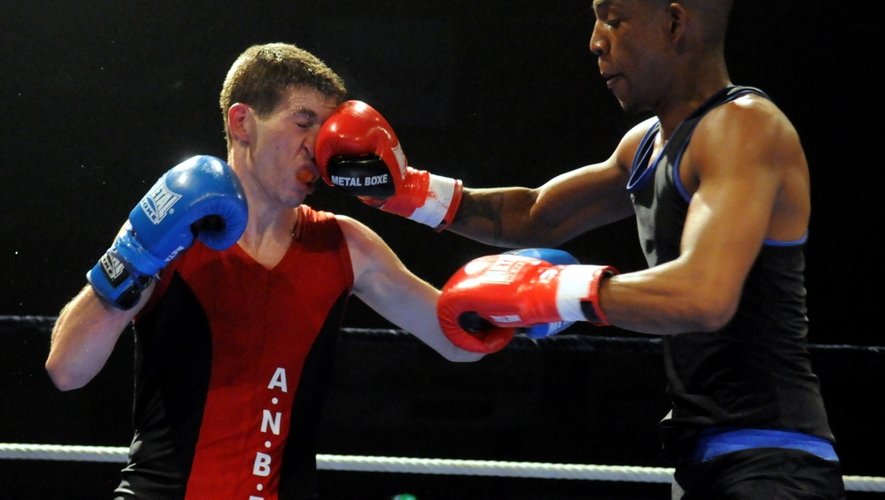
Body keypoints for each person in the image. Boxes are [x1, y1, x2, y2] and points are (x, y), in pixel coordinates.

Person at [313, 0, 846, 498]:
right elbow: (536, 214)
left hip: (773, 460)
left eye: (613, 18)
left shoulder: (744, 127)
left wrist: (553, 290)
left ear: (675, 23)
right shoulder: (647, 144)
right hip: (708, 455)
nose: (595, 41)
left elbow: (703, 296)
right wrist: (408, 191)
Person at [44, 42, 483, 499]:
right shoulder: (173, 231)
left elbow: (459, 342)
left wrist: (517, 292)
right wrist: (136, 255)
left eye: (326, 131)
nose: (318, 147)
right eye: (303, 123)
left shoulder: (345, 245)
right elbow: (67, 370)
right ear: (242, 123)